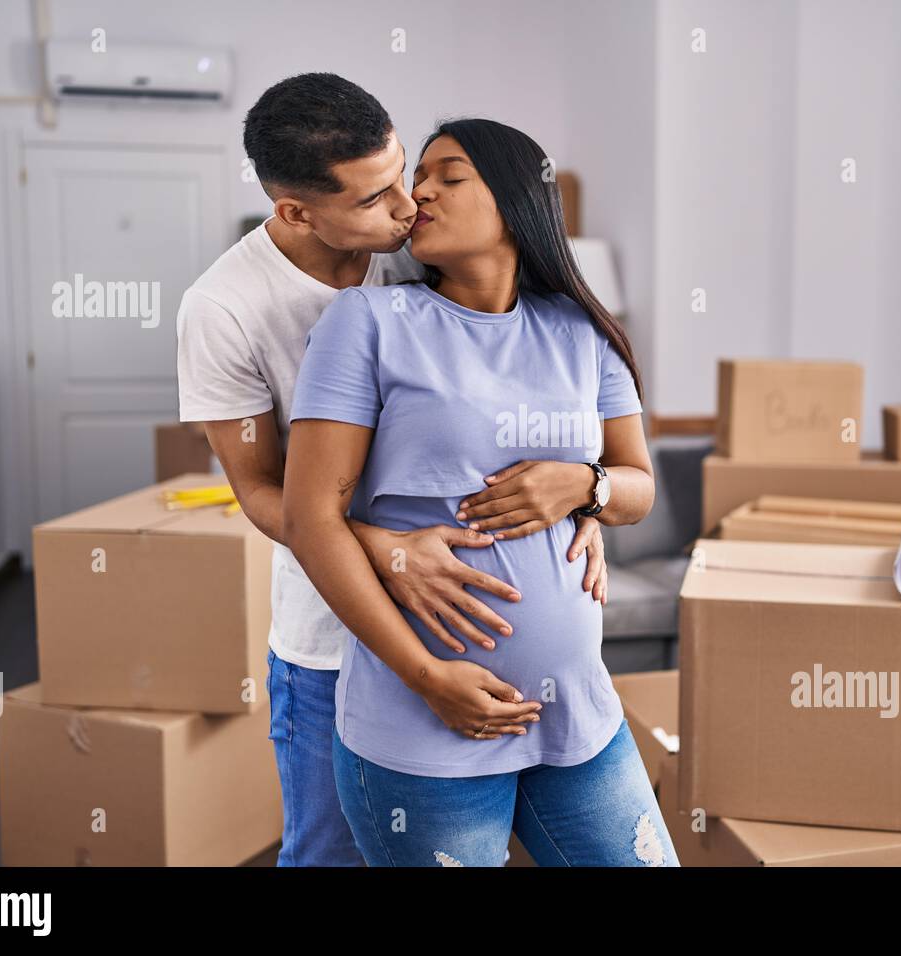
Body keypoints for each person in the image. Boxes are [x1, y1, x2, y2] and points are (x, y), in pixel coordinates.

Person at [176, 76, 609, 866]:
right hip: (330, 639)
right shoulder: (225, 310)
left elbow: (521, 403)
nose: (408, 208)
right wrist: (388, 548)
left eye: (405, 172)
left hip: (483, 640)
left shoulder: (422, 258)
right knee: (329, 854)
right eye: (377, 199)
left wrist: (581, 500)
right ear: (297, 212)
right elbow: (261, 492)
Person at [284, 118, 679, 866]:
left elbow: (637, 489)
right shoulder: (368, 323)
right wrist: (429, 677)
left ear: (516, 197)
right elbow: (310, 520)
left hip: (578, 718)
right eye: (416, 176)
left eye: (447, 173)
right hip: (425, 725)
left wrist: (581, 486)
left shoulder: (580, 332)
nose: (418, 191)